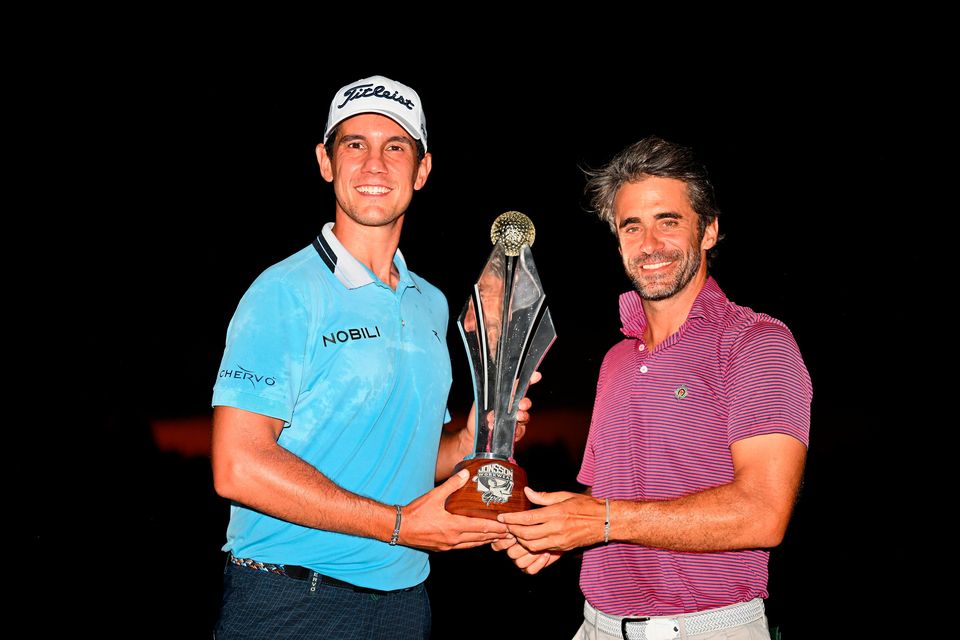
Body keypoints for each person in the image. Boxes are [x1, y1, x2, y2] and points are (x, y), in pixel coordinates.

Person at [210, 74, 536, 640]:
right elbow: (237, 465)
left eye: (396, 147)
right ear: (325, 161)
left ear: (422, 169)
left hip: (405, 604)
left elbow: (412, 457)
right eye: (355, 144)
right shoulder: (284, 292)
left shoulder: (432, 302)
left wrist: (470, 439)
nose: (374, 165)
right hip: (291, 601)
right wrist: (399, 525)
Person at [495, 136, 811, 640]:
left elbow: (763, 513)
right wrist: (559, 532)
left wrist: (599, 520)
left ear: (709, 230)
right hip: (595, 624)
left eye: (668, 221)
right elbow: (606, 499)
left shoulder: (756, 343)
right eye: (632, 226)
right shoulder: (616, 361)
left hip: (708, 629)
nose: (649, 244)